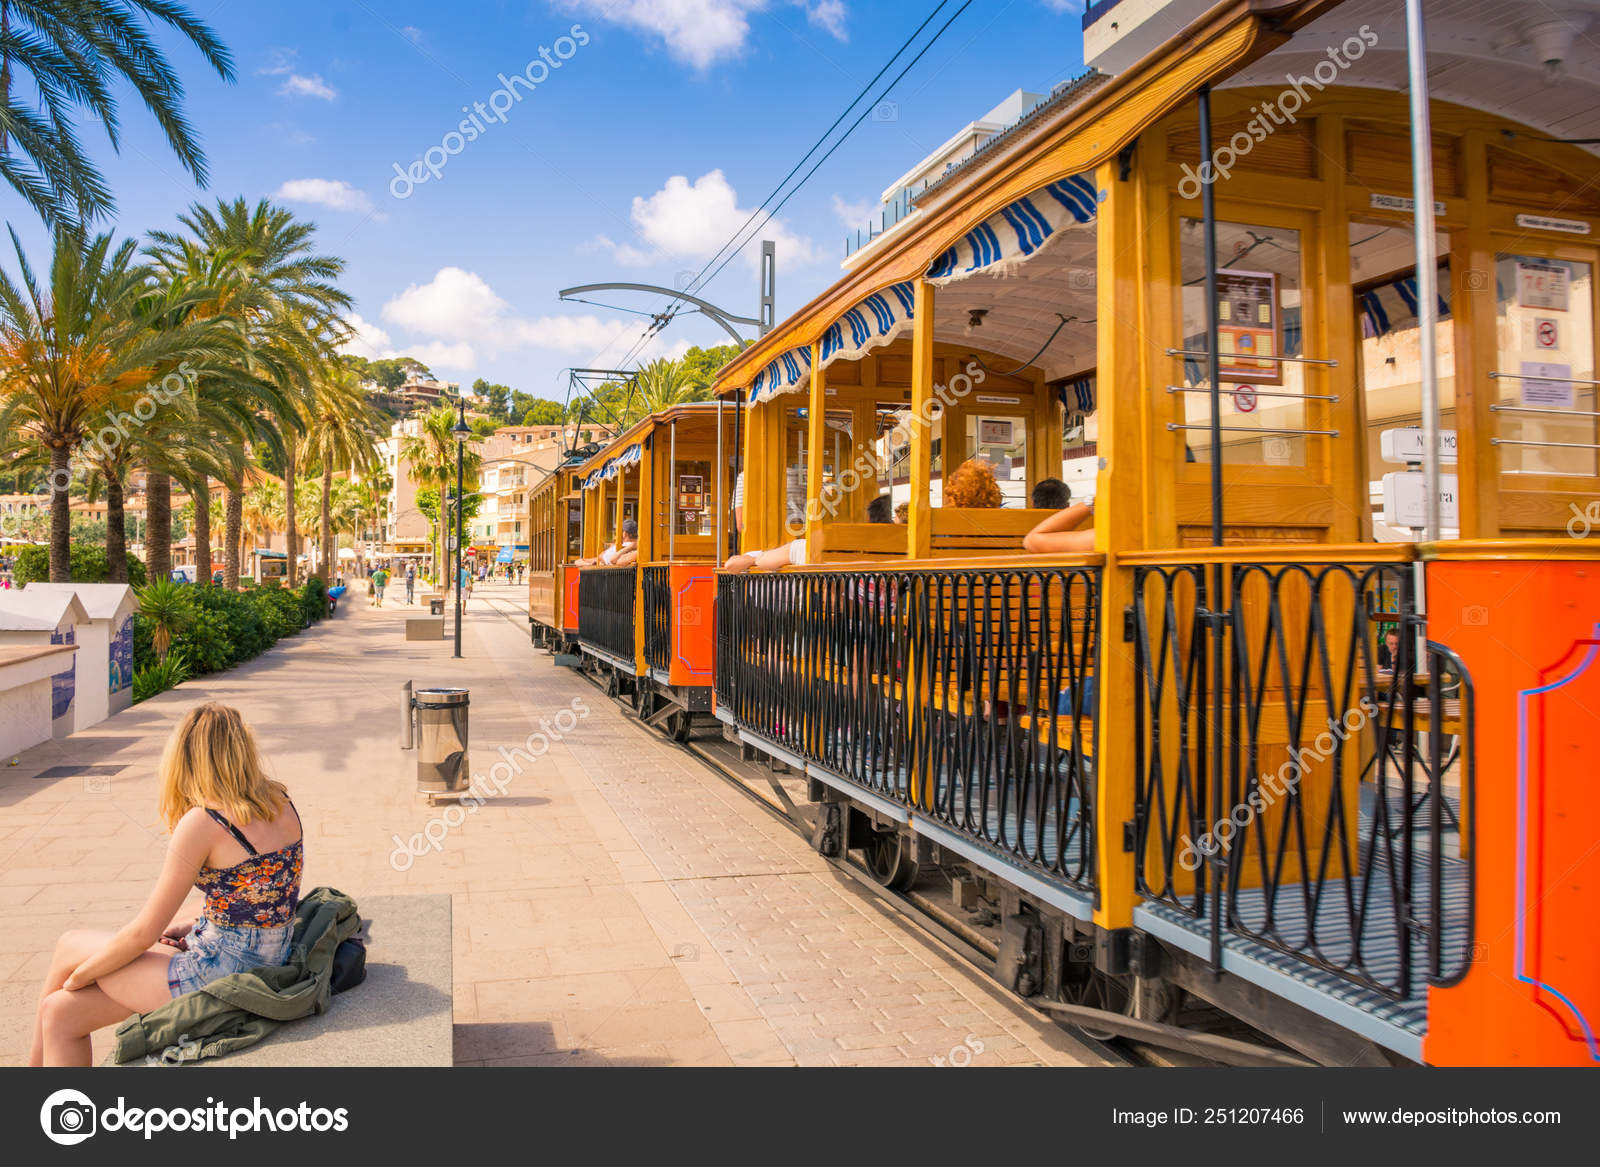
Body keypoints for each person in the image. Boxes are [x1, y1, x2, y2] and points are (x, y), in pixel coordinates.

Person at [29, 703, 303, 1066]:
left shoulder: (206, 821)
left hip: (217, 975)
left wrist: (83, 974)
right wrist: (192, 924)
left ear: (185, 757)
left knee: (68, 949)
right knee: (59, 1012)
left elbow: (143, 933)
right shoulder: (278, 799)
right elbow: (263, 894)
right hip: (266, 958)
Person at [1023, 500, 1095, 554]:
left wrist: (1093, 501)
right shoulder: (1101, 537)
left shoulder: (1099, 538)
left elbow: (1032, 541)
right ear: (1067, 504)